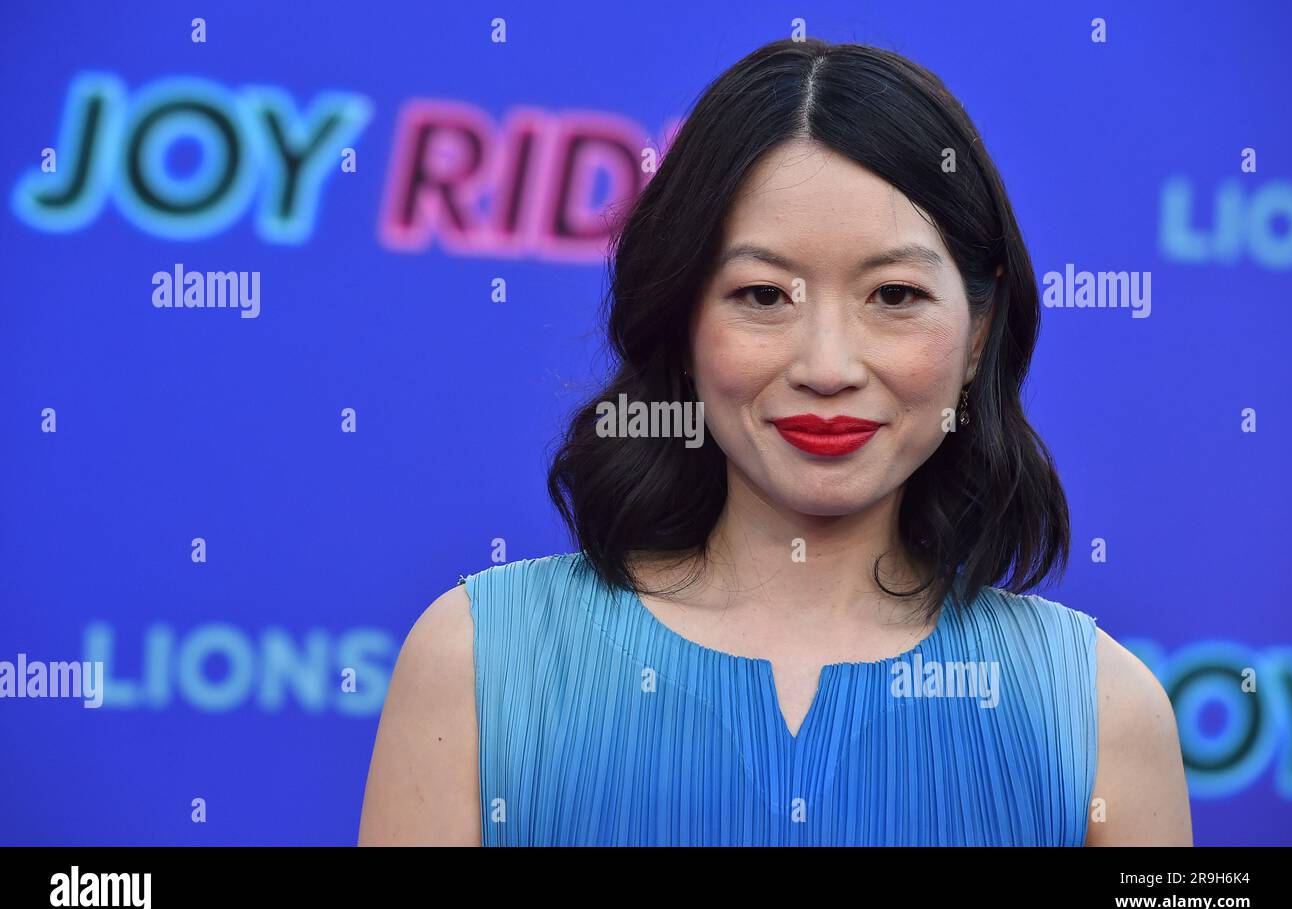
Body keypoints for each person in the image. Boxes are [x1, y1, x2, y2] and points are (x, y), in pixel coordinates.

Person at [358, 37, 1192, 846]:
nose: (827, 366)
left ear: (979, 331)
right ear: (683, 320)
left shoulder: (1100, 715)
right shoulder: (478, 666)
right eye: (762, 295)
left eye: (894, 294)